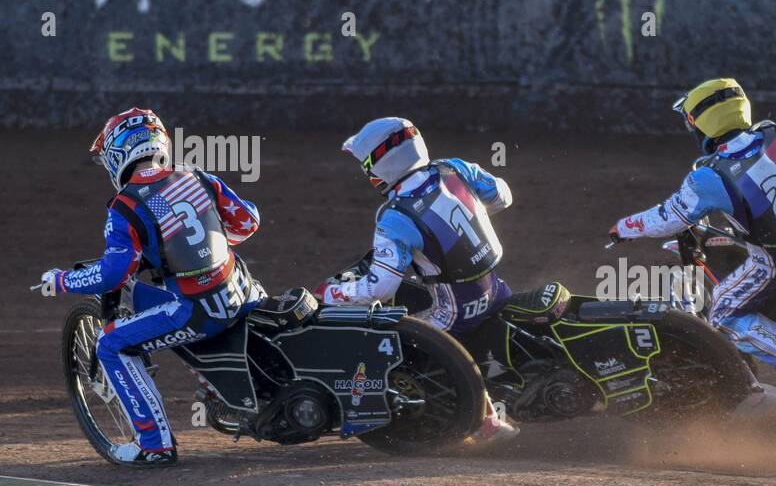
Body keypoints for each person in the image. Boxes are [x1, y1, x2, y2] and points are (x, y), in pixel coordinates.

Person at [35, 107, 264, 465]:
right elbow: (247, 222)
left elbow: (113, 275)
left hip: (197, 312)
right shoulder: (194, 175)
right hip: (242, 290)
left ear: (117, 154)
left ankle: (154, 445)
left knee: (111, 345)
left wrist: (62, 280)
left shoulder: (125, 205)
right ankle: (217, 384)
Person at [609, 78, 776, 393]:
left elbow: (669, 218)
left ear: (704, 123)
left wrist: (625, 226)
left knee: (723, 312)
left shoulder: (709, 174)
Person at [318, 117, 518, 442]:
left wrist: (336, 293)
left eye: (366, 166)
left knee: (393, 346)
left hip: (456, 309)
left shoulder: (395, 215)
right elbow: (501, 197)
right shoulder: (454, 168)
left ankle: (486, 424)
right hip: (495, 287)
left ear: (380, 167)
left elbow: (381, 287)